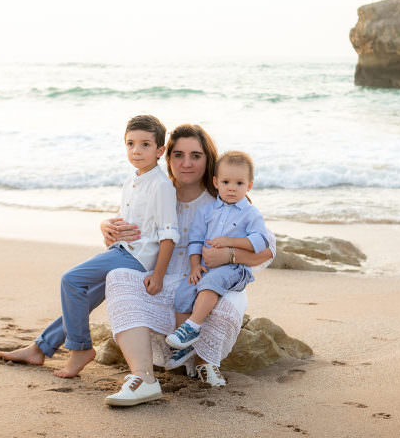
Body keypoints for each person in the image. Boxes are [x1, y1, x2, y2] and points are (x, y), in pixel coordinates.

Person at [0, 115, 178, 392]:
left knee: (71, 280)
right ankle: (40, 348)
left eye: (144, 144)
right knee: (83, 296)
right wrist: (105, 224)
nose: (136, 150)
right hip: (122, 250)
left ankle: (81, 349)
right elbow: (126, 219)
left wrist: (158, 274)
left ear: (160, 151)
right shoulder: (131, 180)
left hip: (138, 258)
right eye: (130, 144)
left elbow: (169, 234)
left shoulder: (161, 185)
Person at [102, 125, 275, 406]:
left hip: (210, 283)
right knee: (118, 276)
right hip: (164, 281)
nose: (186, 163)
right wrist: (107, 226)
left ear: (209, 160)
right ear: (167, 157)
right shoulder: (157, 190)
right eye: (178, 154)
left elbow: (268, 250)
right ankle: (143, 378)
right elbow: (128, 229)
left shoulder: (224, 200)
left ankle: (204, 360)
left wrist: (230, 255)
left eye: (196, 155)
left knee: (223, 300)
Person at [166, 151, 269, 358]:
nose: (232, 188)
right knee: (184, 292)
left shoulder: (251, 214)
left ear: (249, 186)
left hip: (234, 269)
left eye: (239, 183)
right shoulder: (206, 211)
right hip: (205, 266)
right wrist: (195, 266)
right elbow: (195, 241)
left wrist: (230, 242)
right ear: (216, 182)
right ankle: (183, 346)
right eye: (226, 182)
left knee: (211, 282)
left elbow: (261, 242)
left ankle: (193, 326)